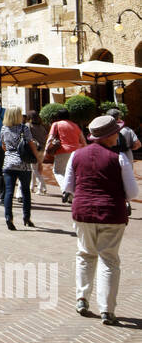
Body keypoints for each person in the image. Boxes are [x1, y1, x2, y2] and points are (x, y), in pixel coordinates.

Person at [65, 115, 139, 324]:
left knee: (85, 254)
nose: (118, 134)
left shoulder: (76, 155)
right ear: (110, 135)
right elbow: (132, 192)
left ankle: (82, 298)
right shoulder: (120, 158)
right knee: (109, 259)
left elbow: (68, 187)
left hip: (83, 212)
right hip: (112, 213)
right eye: (116, 132)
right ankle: (107, 309)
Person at [0, 105, 41, 230]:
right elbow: (31, 144)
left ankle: (8, 217)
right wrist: (37, 158)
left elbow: (3, 146)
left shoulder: (3, 129)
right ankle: (26, 217)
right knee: (25, 191)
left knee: (9, 191)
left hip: (8, 163)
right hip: (23, 163)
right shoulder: (24, 128)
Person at [44, 109, 86, 202]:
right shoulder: (75, 125)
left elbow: (50, 138)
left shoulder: (56, 124)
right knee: (72, 174)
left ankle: (65, 189)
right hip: (76, 152)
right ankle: (71, 197)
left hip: (62, 151)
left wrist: (46, 149)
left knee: (58, 171)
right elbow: (82, 140)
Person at [26, 111, 49, 194]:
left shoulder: (28, 126)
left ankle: (42, 186)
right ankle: (32, 187)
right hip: (42, 149)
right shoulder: (41, 127)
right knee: (36, 168)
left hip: (33, 149)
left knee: (34, 169)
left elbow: (27, 138)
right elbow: (46, 137)